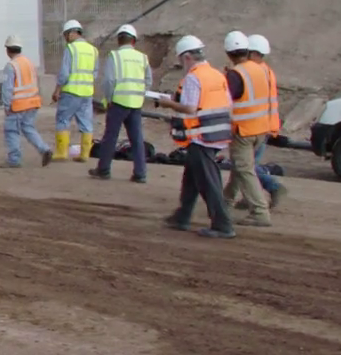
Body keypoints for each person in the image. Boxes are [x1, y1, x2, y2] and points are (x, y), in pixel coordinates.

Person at [155, 34, 236, 238]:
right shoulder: (217, 75)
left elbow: (190, 108)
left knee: (208, 181)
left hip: (200, 136)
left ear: (188, 57)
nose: (181, 63)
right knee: (191, 178)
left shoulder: (193, 77)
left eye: (181, 59)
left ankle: (222, 224)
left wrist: (168, 103)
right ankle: (182, 216)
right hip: (216, 133)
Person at [220, 30, 275, 228]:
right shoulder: (260, 69)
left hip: (244, 130)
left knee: (245, 169)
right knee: (240, 167)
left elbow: (225, 100)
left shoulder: (236, 75)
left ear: (228, 53)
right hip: (261, 128)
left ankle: (260, 211)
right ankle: (224, 201)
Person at [90, 24, 152, 183]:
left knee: (110, 136)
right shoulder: (142, 57)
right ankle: (140, 173)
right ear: (134, 41)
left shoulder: (115, 56)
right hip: (136, 104)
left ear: (119, 40)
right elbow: (148, 81)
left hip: (118, 102)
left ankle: (103, 169)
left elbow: (109, 81)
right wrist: (139, 94)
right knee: (137, 139)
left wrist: (109, 99)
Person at [2, 36, 53, 168]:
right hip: (33, 103)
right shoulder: (28, 63)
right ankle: (44, 149)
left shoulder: (11, 66)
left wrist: (7, 105)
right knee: (28, 128)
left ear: (8, 50)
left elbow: (7, 88)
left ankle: (14, 159)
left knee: (12, 131)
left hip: (18, 105)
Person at [53, 20, 99, 162]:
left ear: (72, 33)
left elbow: (65, 73)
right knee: (86, 123)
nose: (66, 39)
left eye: (66, 35)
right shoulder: (93, 50)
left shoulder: (71, 49)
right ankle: (85, 154)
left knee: (62, 119)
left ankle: (61, 153)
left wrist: (57, 89)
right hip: (87, 93)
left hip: (71, 92)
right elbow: (95, 73)